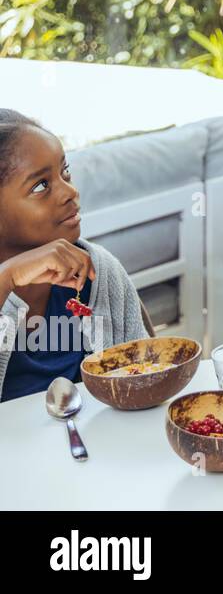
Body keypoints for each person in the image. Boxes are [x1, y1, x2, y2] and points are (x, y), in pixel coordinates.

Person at [0, 110, 148, 402]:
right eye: (41, 185)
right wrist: (8, 277)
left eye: (64, 172)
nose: (71, 191)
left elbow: (145, 378)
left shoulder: (99, 272)